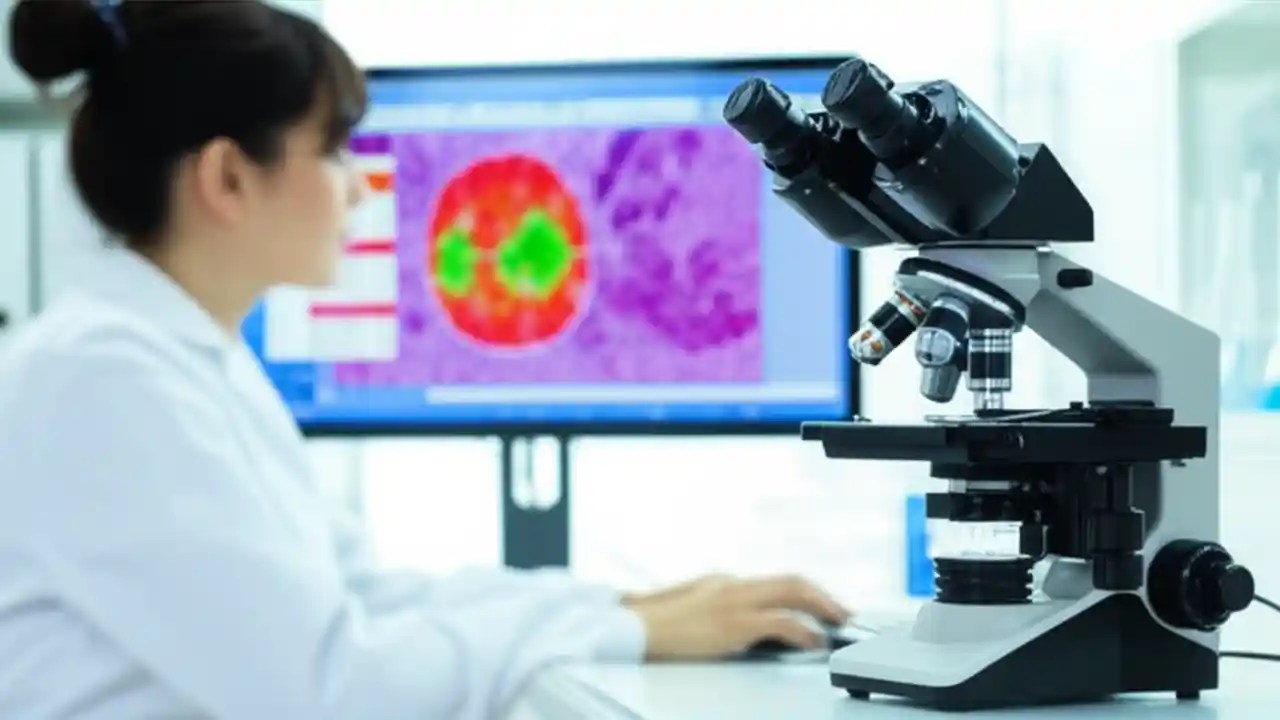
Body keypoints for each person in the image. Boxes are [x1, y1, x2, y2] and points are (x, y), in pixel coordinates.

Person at [0, 2, 852, 718]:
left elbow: (359, 592)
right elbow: (327, 685)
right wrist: (630, 634)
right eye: (333, 151)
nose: (363, 184)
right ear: (228, 178)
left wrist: (621, 608)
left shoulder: (178, 358)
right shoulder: (100, 380)